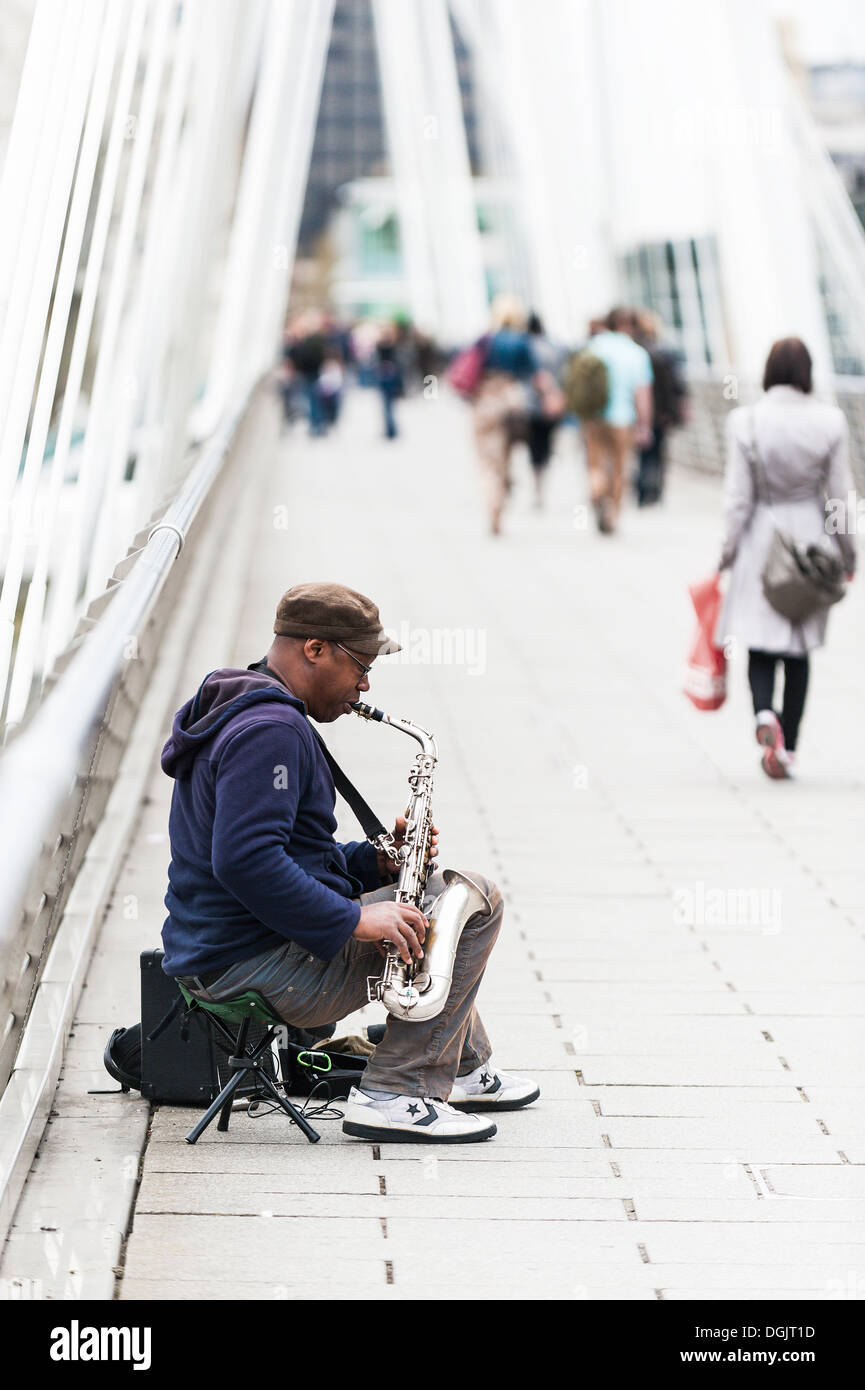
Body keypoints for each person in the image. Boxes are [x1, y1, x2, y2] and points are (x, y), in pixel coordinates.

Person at [159, 582, 539, 1142]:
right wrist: (355, 920)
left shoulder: (249, 707)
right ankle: (396, 1091)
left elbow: (288, 854)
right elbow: (245, 861)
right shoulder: (271, 731)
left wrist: (377, 863)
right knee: (472, 899)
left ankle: (463, 1065)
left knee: (430, 895)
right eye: (360, 665)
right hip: (255, 964)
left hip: (220, 952)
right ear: (314, 649)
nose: (365, 684)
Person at [717, 337, 857, 779]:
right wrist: (847, 551)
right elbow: (838, 497)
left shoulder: (745, 421)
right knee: (798, 649)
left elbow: (738, 498)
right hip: (811, 540)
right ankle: (790, 746)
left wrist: (727, 549)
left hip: (762, 536)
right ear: (807, 372)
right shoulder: (830, 421)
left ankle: (763, 716)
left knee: (759, 642)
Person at [471, 294, 541, 536]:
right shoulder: (522, 341)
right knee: (506, 459)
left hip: (485, 400)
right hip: (512, 402)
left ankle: (492, 503)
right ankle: (501, 500)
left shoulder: (484, 340)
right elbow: (536, 376)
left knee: (488, 461)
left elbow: (467, 372)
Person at [582, 307, 654, 533]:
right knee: (620, 467)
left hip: (594, 417)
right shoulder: (636, 353)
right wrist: (645, 426)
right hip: (623, 419)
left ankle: (597, 491)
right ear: (630, 326)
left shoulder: (593, 347)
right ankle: (612, 514)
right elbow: (642, 395)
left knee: (596, 463)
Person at [632, 310, 688, 506]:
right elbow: (676, 385)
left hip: (638, 411)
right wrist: (674, 410)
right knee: (657, 451)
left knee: (642, 452)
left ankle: (642, 490)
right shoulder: (664, 352)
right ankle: (655, 491)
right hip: (660, 412)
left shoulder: (635, 351)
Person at [525, 312, 567, 508]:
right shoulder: (556, 346)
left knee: (534, 447)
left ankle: (537, 486)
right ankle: (543, 482)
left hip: (531, 405)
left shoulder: (526, 346)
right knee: (546, 446)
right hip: (553, 404)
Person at [374, 324, 404, 439]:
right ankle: (391, 429)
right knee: (390, 405)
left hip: (386, 377)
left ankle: (390, 429)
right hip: (390, 376)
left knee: (387, 405)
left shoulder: (383, 346)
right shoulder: (394, 345)